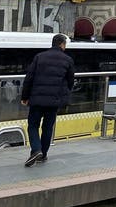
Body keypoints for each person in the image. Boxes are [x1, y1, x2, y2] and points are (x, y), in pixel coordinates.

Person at [21, 33, 75, 166]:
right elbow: (70, 81)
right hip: (54, 100)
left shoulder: (39, 57)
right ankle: (43, 154)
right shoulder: (67, 60)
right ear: (62, 44)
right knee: (48, 127)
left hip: (37, 99)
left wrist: (25, 97)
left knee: (33, 125)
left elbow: (29, 78)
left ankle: (36, 150)